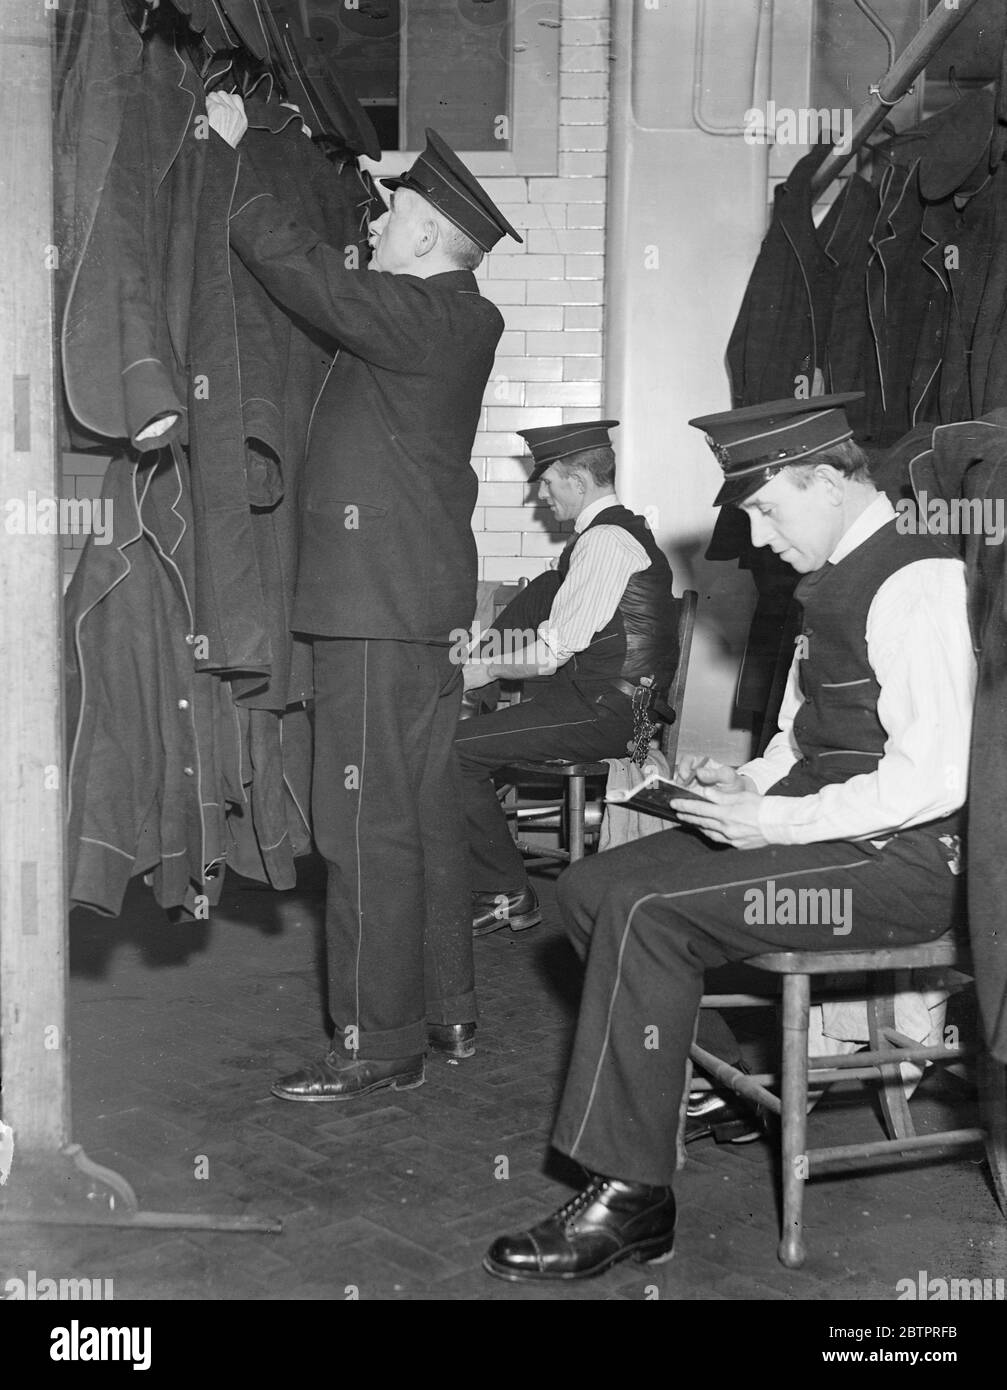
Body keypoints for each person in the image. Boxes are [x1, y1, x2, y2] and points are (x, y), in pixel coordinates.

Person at [482, 393, 976, 1281]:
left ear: (826, 481)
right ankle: (697, 1074)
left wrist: (772, 819)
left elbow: (938, 776)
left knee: (649, 914)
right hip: (826, 837)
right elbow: (802, 737)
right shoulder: (828, 578)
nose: (752, 534)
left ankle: (632, 1198)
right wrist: (742, 783)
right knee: (591, 889)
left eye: (763, 507)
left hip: (902, 863)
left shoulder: (917, 577)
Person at [206, 93, 522, 1098]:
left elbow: (302, 275)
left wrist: (235, 154)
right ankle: (445, 1013)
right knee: (421, 819)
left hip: (374, 617)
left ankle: (375, 1045)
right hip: (410, 613)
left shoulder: (428, 315)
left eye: (388, 216)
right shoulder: (445, 319)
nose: (372, 225)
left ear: (428, 234)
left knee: (361, 830)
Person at [458, 421, 679, 936]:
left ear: (579, 482)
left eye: (549, 481)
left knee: (451, 749)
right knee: (543, 586)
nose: (542, 493)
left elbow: (551, 654)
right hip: (606, 704)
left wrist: (483, 669)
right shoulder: (605, 538)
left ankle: (505, 893)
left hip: (612, 713)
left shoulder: (606, 541)